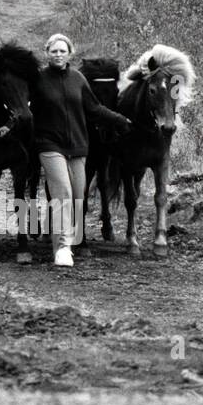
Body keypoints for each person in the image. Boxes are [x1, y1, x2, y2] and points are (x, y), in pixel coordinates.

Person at [32, 33, 131, 267]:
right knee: (63, 193)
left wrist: (121, 120)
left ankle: (70, 238)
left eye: (62, 51)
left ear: (70, 53)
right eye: (54, 51)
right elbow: (26, 108)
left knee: (78, 196)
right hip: (49, 145)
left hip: (77, 146)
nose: (58, 55)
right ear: (47, 53)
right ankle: (62, 248)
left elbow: (95, 109)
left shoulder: (78, 79)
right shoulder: (37, 80)